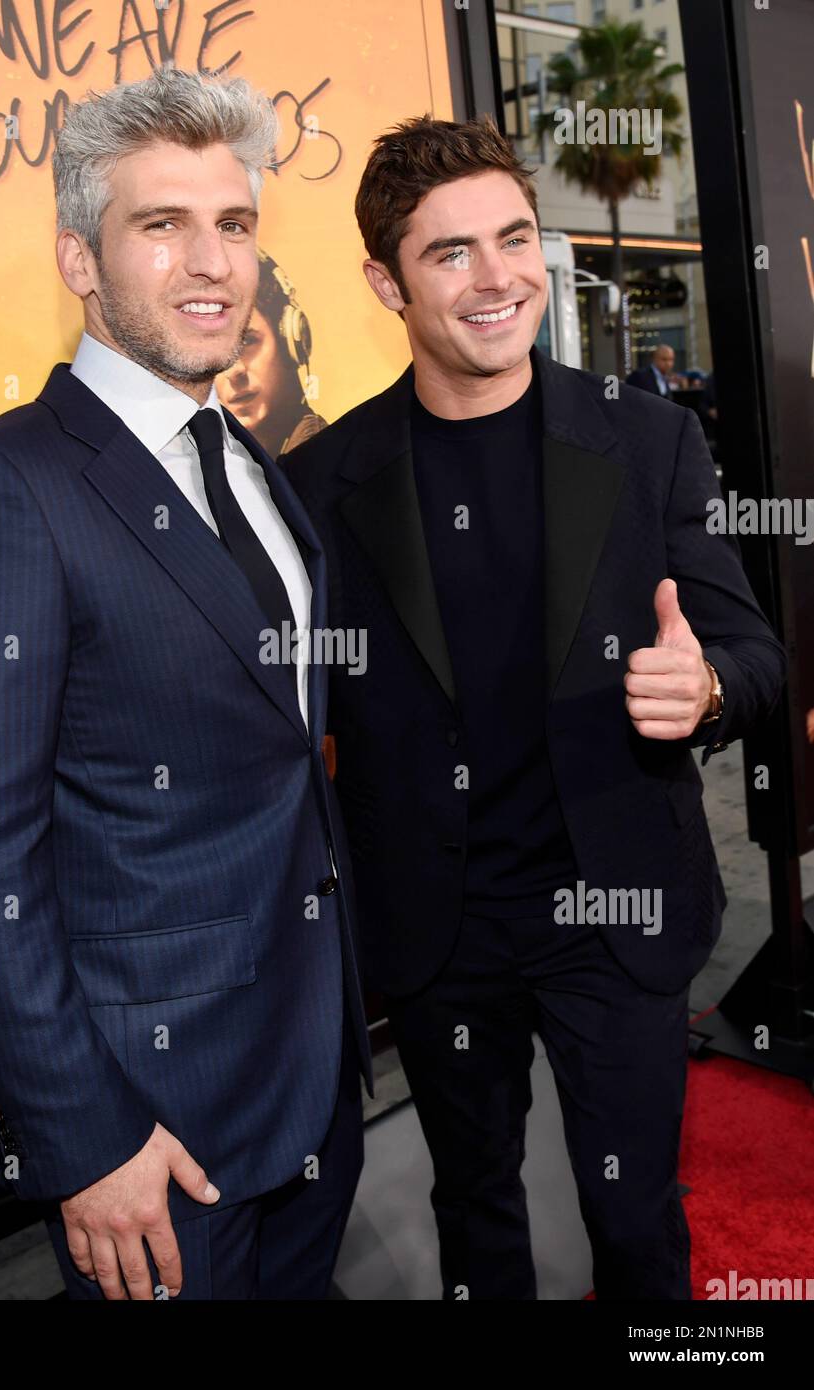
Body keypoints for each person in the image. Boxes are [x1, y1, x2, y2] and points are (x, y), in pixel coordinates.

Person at [0, 66, 371, 1302]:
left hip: (310, 1071)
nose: (212, 263)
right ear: (79, 259)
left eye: (235, 224)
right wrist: (84, 1135)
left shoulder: (252, 462)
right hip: (148, 1122)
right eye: (161, 226)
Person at [285, 114, 786, 1300]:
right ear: (384, 281)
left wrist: (704, 687)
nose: (497, 276)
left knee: (632, 1216)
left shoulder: (643, 439)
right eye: (449, 252)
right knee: (475, 1208)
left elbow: (753, 653)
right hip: (438, 925)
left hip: (610, 906)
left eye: (513, 238)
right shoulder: (321, 480)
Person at [217, 248, 326, 456]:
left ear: (291, 343)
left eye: (248, 341)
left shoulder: (325, 465)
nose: (234, 371)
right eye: (217, 349)